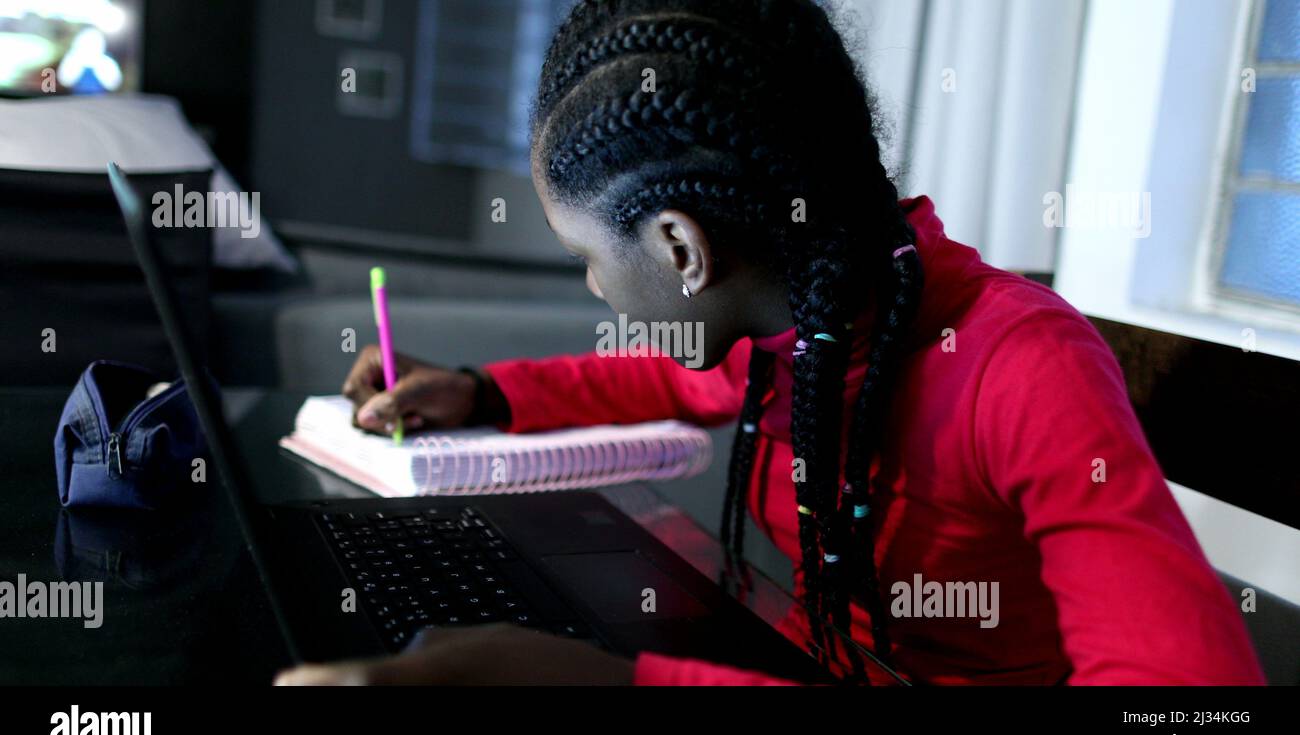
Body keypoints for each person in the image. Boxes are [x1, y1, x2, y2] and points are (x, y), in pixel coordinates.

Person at [275, 0, 1264, 686]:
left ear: (681, 249)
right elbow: (655, 376)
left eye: (583, 253)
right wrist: (482, 392)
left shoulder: (1020, 366)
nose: (589, 284)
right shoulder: (795, 322)